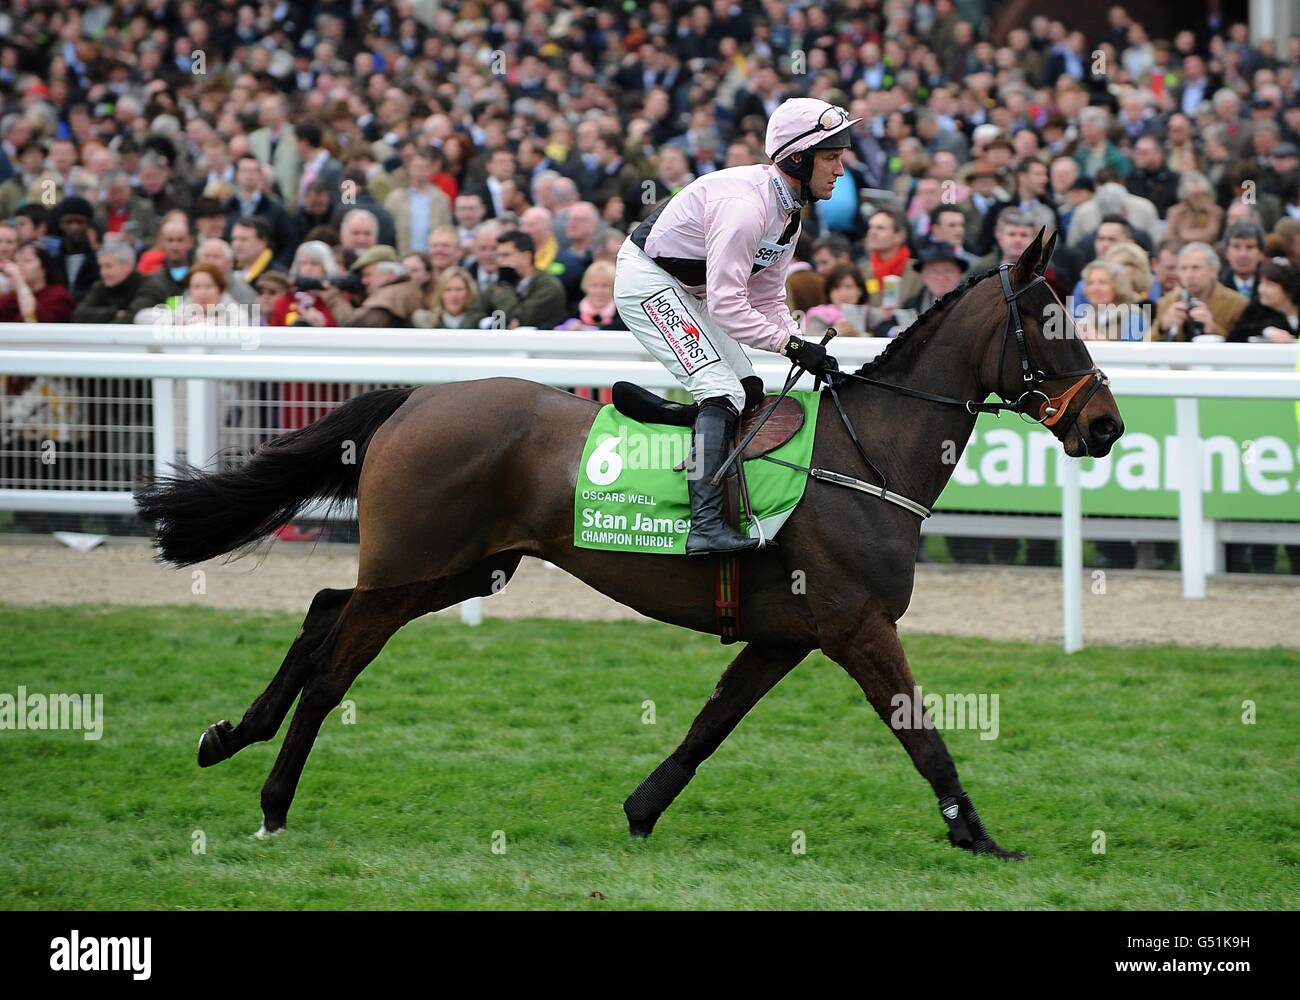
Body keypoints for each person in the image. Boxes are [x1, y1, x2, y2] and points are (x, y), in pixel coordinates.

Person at [613, 97, 847, 555]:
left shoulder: (789, 214)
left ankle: (681, 421)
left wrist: (800, 342)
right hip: (649, 280)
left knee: (749, 389)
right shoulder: (746, 209)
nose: (840, 169)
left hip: (688, 288)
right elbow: (726, 306)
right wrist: (793, 348)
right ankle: (704, 527)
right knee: (723, 392)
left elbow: (765, 298)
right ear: (797, 159)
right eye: (832, 157)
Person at [0, 242, 75, 322]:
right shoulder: (12, 298)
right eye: (16, 261)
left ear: (44, 268)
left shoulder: (58, 294)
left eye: (27, 261)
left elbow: (31, 319)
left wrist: (18, 279)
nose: (20, 265)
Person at [72, 239, 143, 323]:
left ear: (127, 266)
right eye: (101, 267)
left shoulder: (144, 286)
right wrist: (114, 313)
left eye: (108, 266)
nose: (103, 272)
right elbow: (79, 315)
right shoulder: (100, 286)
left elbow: (134, 316)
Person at [413, 266, 485, 330]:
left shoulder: (481, 322)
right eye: (448, 290)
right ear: (440, 293)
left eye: (459, 289)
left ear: (468, 292)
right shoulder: (427, 323)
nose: (453, 295)